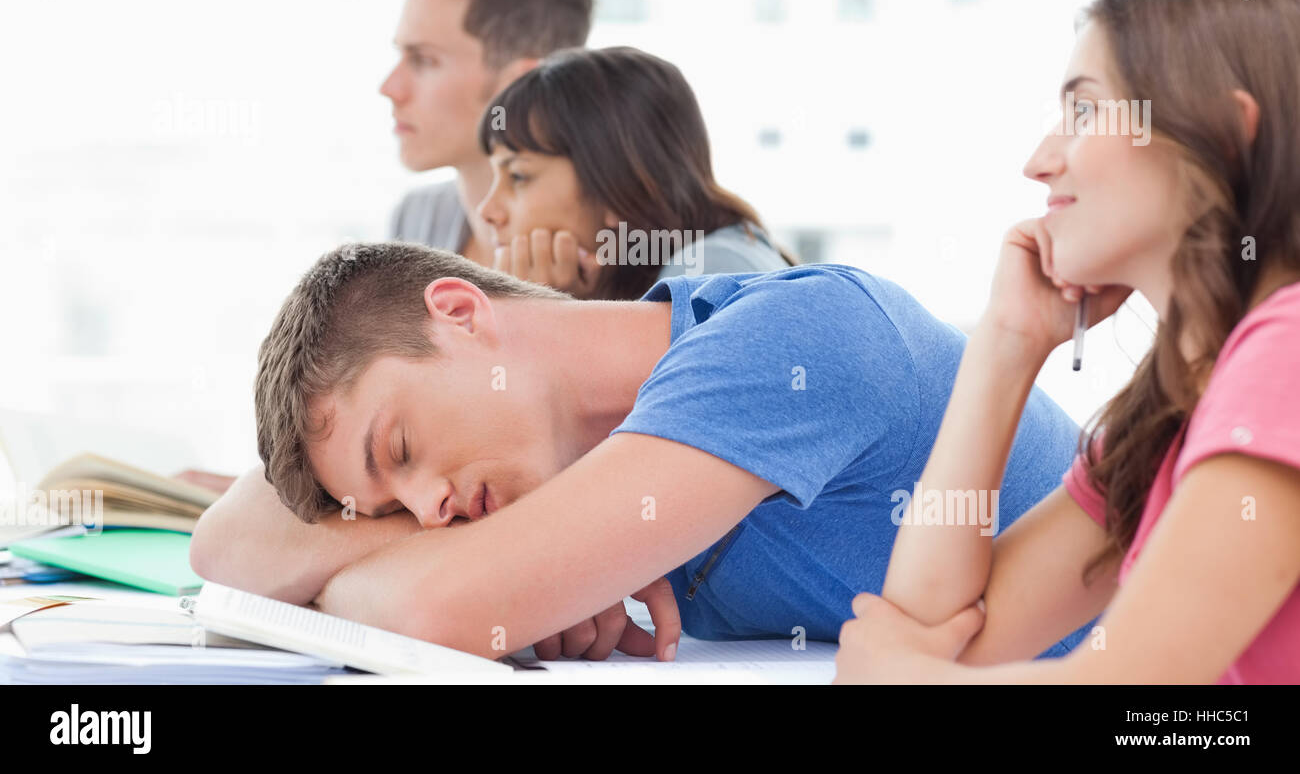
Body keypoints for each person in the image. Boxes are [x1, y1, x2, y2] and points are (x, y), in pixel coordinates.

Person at [190, 241, 1093, 663]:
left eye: (403, 448)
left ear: (460, 315)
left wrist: (449, 582)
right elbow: (226, 546)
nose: (428, 511)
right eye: (393, 512)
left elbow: (437, 612)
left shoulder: (789, 340)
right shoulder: (607, 467)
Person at [834, 0, 1300, 684]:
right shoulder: (1164, 426)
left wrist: (906, 678)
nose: (1039, 162)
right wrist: (1006, 346)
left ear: (1227, 135)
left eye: (1084, 112)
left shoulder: (1288, 351)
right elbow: (936, 629)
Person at [477, 46, 795, 298]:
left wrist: (537, 320)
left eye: (518, 176)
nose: (488, 211)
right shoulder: (705, 259)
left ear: (619, 187)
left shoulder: (706, 275)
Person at [381, 0, 593, 267]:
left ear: (521, 85)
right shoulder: (415, 223)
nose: (390, 88)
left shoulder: (626, 250)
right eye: (401, 54)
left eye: (423, 60)